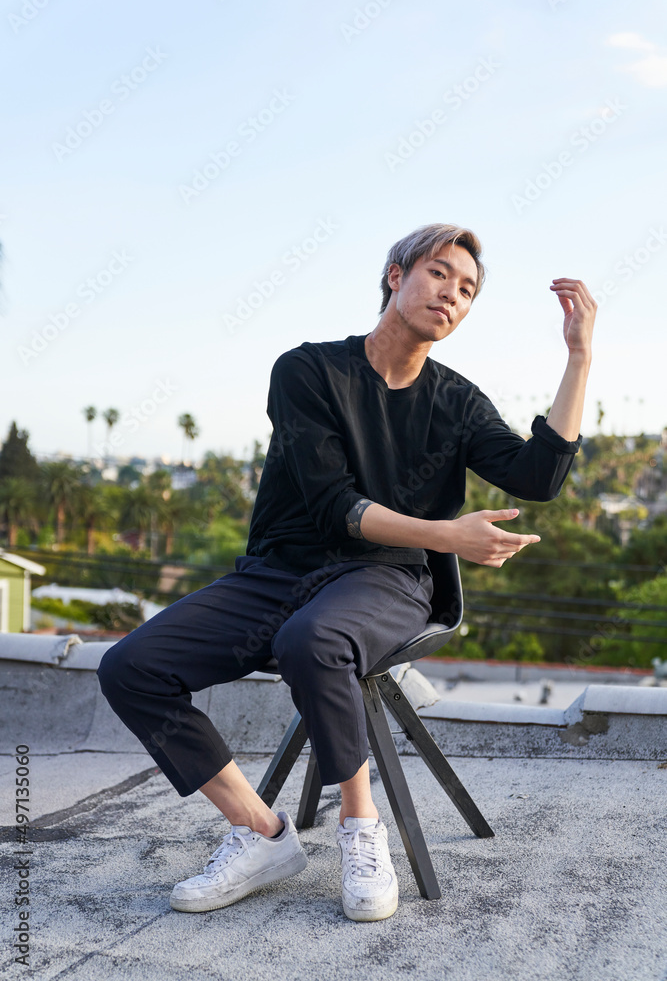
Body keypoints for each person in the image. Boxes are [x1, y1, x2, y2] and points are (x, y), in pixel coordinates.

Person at [97, 223, 597, 922]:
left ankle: (361, 832)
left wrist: (577, 358)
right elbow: (335, 506)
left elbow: (537, 476)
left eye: (467, 290)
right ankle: (259, 832)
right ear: (395, 276)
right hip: (280, 570)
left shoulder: (455, 401)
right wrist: (446, 535)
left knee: (314, 640)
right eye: (438, 274)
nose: (451, 295)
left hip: (387, 579)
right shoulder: (307, 371)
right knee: (130, 667)